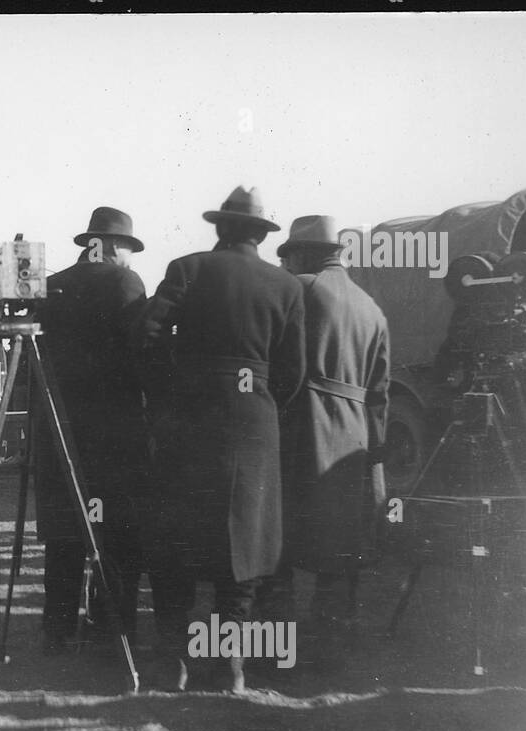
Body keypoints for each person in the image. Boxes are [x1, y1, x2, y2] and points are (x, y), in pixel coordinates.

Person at [138, 186, 306, 691]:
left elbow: (147, 334)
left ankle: (174, 663)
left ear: (221, 228)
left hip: (187, 420)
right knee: (245, 545)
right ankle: (230, 666)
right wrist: (257, 397)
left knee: (176, 541)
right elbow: (293, 372)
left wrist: (169, 390)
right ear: (260, 233)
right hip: (254, 424)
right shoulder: (287, 286)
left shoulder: (187, 269)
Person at [33, 206, 154, 655]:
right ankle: (111, 629)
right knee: (118, 534)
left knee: (65, 533)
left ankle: (58, 628)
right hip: (113, 434)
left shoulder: (49, 286)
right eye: (129, 250)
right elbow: (141, 354)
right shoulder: (125, 283)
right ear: (117, 246)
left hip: (60, 430)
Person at [274, 215, 389, 657]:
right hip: (354, 437)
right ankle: (332, 647)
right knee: (340, 546)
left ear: (300, 254)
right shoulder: (371, 307)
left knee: (279, 543)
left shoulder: (299, 290)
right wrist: (373, 454)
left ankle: (275, 651)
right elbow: (379, 392)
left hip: (302, 427)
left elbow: (281, 367)